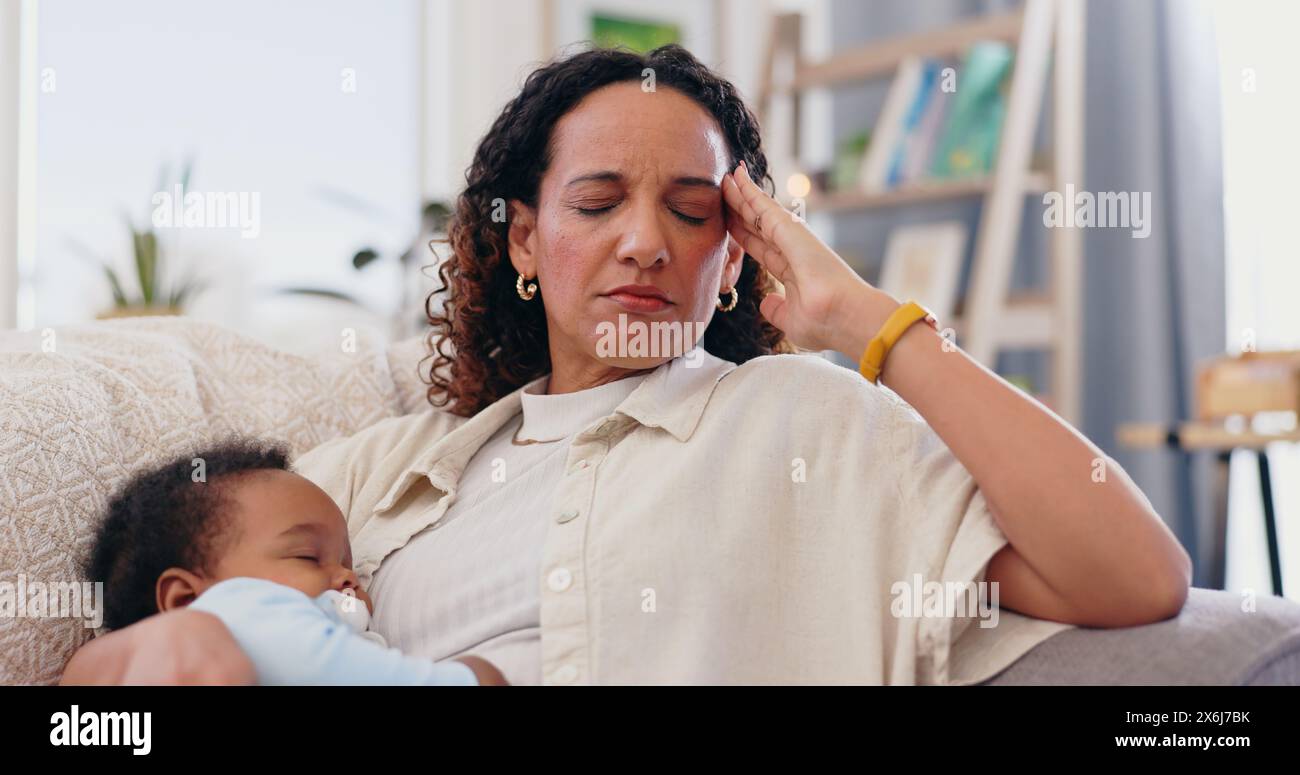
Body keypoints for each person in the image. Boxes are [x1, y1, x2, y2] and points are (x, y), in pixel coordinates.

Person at [63, 44, 1189, 686]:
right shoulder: (385, 470)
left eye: (692, 210)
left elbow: (1134, 578)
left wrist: (867, 323)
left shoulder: (802, 423)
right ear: (519, 241)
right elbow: (182, 619)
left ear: (735, 244)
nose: (644, 241)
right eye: (596, 202)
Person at [61, 440, 506, 685]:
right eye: (306, 556)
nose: (346, 576)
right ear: (183, 600)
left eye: (347, 561)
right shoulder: (237, 616)